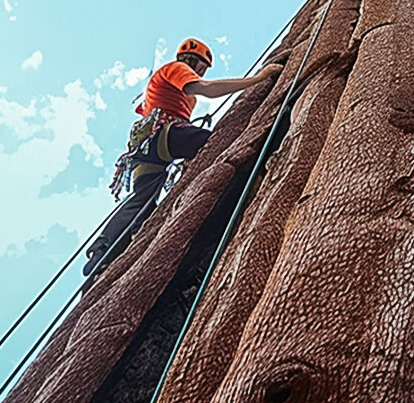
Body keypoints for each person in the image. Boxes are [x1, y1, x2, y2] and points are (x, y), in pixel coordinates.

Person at [83, 38, 281, 276]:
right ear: (195, 63)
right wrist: (259, 78)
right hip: (165, 136)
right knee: (217, 142)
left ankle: (106, 251)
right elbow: (207, 89)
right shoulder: (176, 69)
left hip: (146, 154)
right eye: (203, 67)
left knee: (143, 204)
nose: (201, 72)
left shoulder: (175, 94)